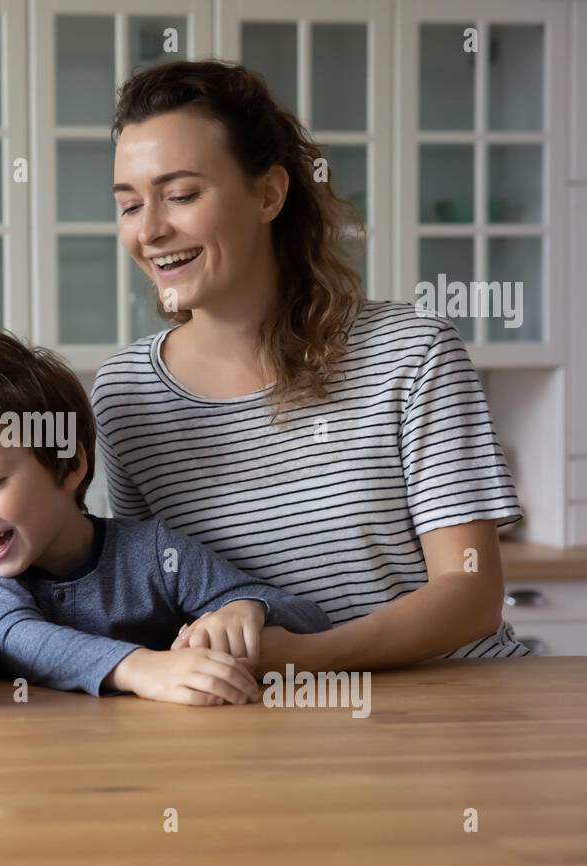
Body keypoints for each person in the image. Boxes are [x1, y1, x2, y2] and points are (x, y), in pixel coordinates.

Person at [94, 60, 526, 673]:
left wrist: (307, 657)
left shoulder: (412, 351)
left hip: (449, 711)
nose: (151, 230)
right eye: (130, 206)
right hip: (272, 723)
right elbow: (156, 593)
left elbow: (472, 593)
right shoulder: (124, 393)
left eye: (182, 195)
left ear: (268, 193)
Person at [0, 331, 330, 705]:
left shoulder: (155, 552)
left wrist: (247, 609)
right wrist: (143, 668)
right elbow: (16, 637)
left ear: (69, 467)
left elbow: (310, 617)